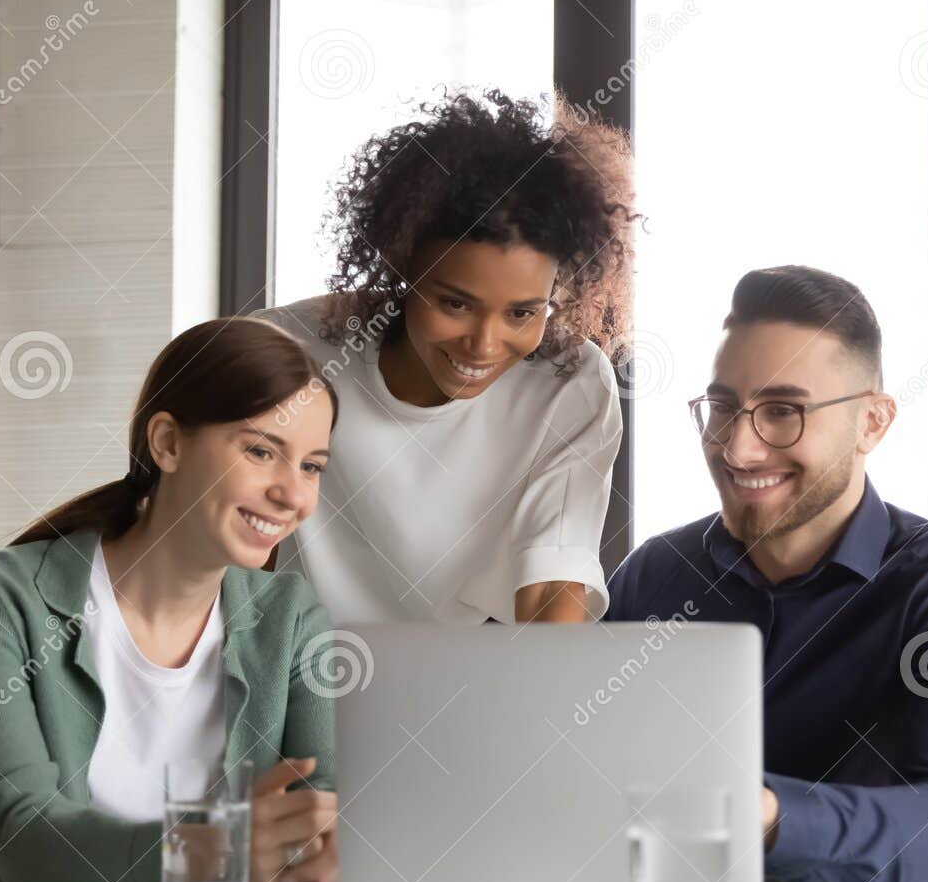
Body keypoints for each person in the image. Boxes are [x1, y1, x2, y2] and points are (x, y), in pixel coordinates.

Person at [604, 266, 928, 882]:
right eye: (723, 408)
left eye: (782, 412)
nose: (739, 449)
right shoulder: (653, 575)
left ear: (872, 423)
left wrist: (767, 815)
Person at [0, 317, 341, 882]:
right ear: (168, 443)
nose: (294, 495)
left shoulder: (292, 617)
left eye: (311, 466)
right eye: (261, 451)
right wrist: (214, 852)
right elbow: (20, 838)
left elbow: (318, 817)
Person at [252, 89, 639, 624]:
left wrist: (548, 678)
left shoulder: (571, 380)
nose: (484, 345)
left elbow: (554, 585)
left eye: (522, 313)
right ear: (403, 265)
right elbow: (238, 558)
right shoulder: (289, 350)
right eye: (455, 304)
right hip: (301, 660)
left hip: (482, 665)